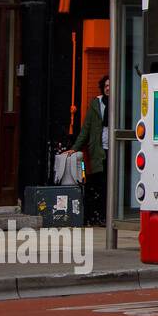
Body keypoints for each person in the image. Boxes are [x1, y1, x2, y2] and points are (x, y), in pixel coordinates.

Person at [67, 75, 110, 226]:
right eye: (105, 86)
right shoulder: (96, 104)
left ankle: (107, 216)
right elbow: (86, 128)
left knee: (111, 185)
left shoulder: (119, 102)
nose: (108, 88)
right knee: (102, 184)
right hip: (99, 150)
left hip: (115, 149)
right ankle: (102, 216)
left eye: (110, 86)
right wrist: (74, 148)